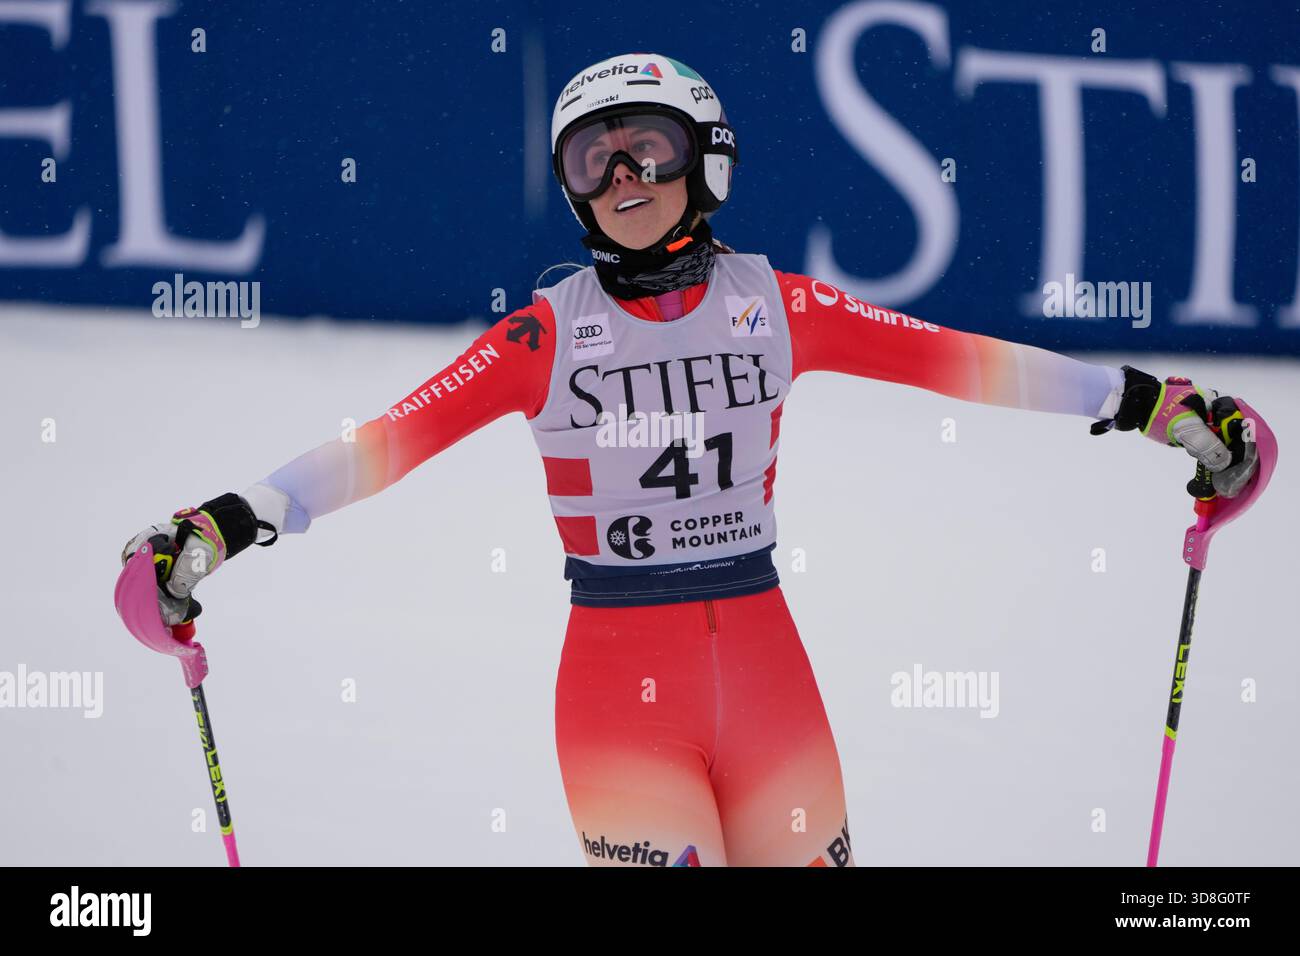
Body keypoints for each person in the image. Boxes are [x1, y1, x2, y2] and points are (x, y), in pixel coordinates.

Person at [121, 53, 1260, 867]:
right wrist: (220, 524)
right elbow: (377, 447)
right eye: (591, 156)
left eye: (647, 146)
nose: (622, 175)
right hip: (620, 696)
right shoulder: (545, 334)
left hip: (769, 677)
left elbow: (970, 365)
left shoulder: (781, 305)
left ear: (704, 158)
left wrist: (1156, 406)